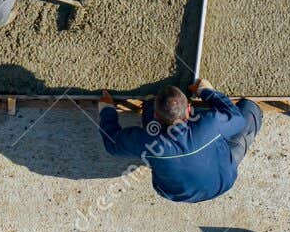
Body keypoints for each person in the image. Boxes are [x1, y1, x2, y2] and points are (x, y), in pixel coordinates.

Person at [97, 79, 262, 203]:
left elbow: (112, 144)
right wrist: (207, 91)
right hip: (222, 181)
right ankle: (151, 105)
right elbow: (238, 119)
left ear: (155, 115)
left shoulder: (147, 142)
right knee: (249, 109)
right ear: (189, 109)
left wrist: (107, 110)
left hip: (173, 192)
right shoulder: (210, 125)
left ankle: (149, 104)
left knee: (154, 132)